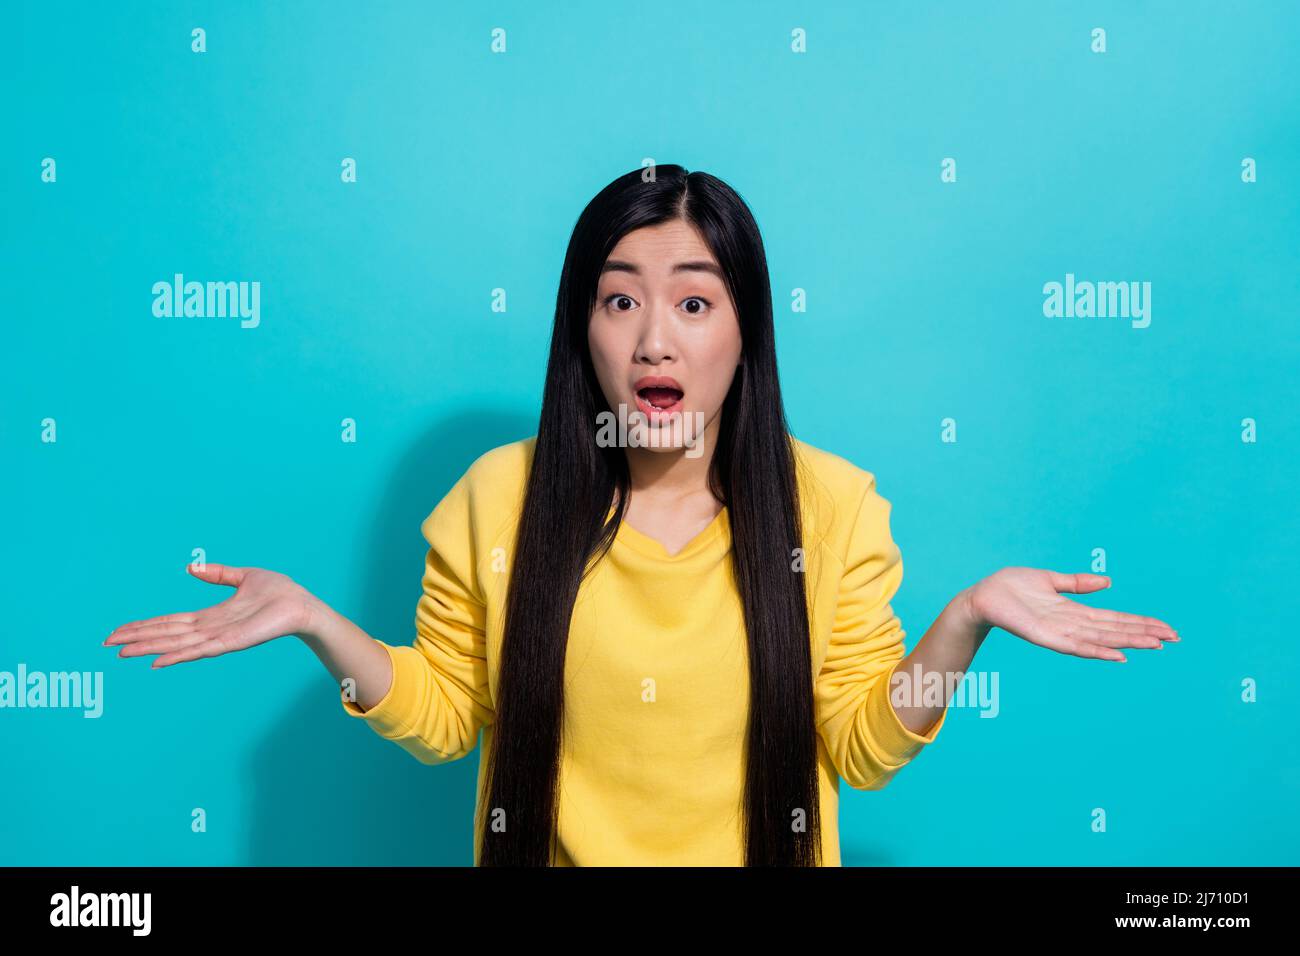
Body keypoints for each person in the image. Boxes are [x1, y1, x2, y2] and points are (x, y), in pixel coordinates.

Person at [103, 165, 1179, 866]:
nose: (654, 338)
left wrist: (967, 621)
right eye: (620, 298)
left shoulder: (835, 506)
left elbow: (855, 746)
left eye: (694, 300)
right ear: (582, 330)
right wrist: (314, 624)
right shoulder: (495, 495)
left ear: (745, 333)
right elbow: (441, 716)